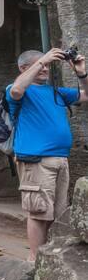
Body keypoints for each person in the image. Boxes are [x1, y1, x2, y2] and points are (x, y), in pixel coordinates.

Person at [7, 46, 88, 259]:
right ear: (24, 67)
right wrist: (43, 60)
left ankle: (50, 260)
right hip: (36, 160)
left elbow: (86, 95)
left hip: (60, 160)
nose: (45, 68)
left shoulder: (56, 91)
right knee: (38, 213)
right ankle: (35, 261)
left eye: (45, 65)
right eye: (39, 64)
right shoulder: (18, 90)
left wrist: (81, 72)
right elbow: (16, 90)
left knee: (59, 213)